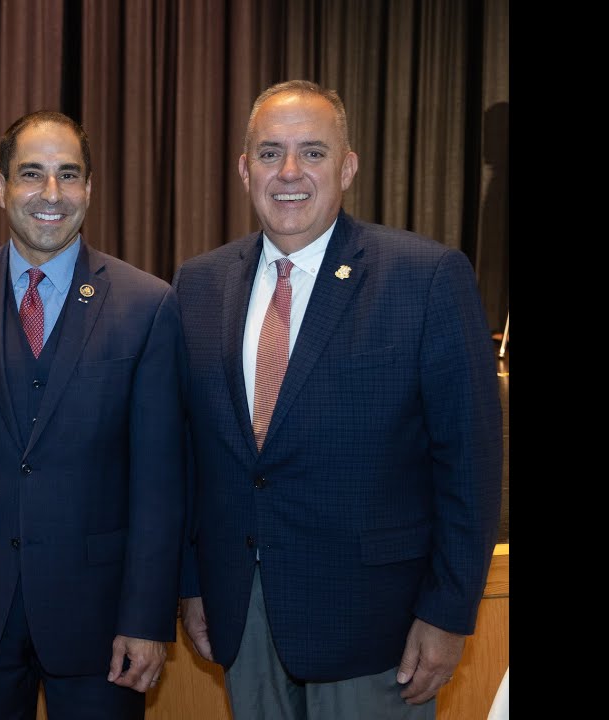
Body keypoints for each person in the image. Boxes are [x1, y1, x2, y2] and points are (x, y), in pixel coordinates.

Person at [171, 79, 502, 719]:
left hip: (376, 622)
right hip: (244, 610)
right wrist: (192, 584)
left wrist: (449, 611)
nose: (289, 172)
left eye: (313, 152)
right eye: (270, 153)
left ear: (347, 166)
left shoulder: (426, 278)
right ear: (244, 170)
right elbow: (190, 454)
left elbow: (471, 465)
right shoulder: (198, 284)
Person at [0, 111, 185, 719]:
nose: (51, 194)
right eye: (32, 174)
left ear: (89, 188)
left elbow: (160, 483)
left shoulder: (148, 305)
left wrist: (147, 617)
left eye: (68, 175)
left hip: (102, 621)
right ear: (1, 187)